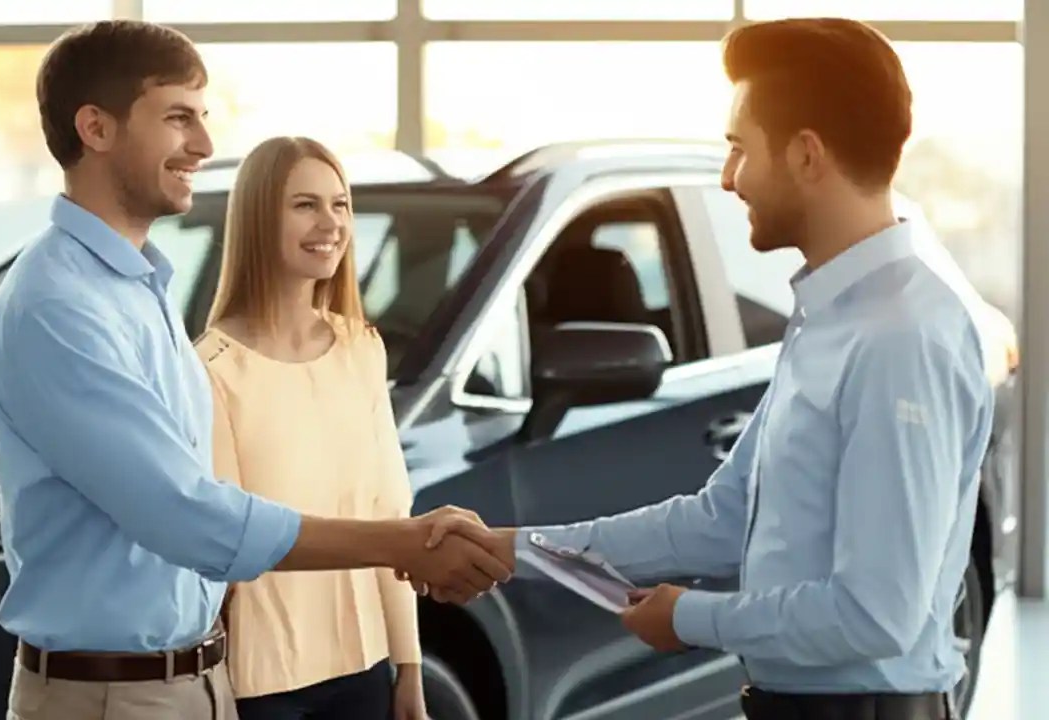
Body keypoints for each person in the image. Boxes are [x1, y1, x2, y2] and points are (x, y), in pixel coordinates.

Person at [416, 17, 993, 720]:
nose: (728, 179)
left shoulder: (901, 338)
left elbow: (878, 616)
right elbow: (718, 520)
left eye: (739, 151)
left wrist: (692, 619)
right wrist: (512, 548)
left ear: (807, 156)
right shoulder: (827, 319)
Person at [0, 20, 510, 720]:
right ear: (96, 129)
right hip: (116, 697)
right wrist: (401, 544)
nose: (203, 144)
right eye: (178, 118)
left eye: (203, 118)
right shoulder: (59, 306)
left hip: (189, 682)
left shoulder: (138, 288)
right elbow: (185, 514)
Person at [194, 136, 424, 719]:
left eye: (340, 204)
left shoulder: (361, 348)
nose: (330, 223)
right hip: (259, 685)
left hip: (365, 667)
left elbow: (389, 513)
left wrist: (410, 667)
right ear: (258, 218)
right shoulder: (211, 368)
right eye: (305, 205)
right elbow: (227, 546)